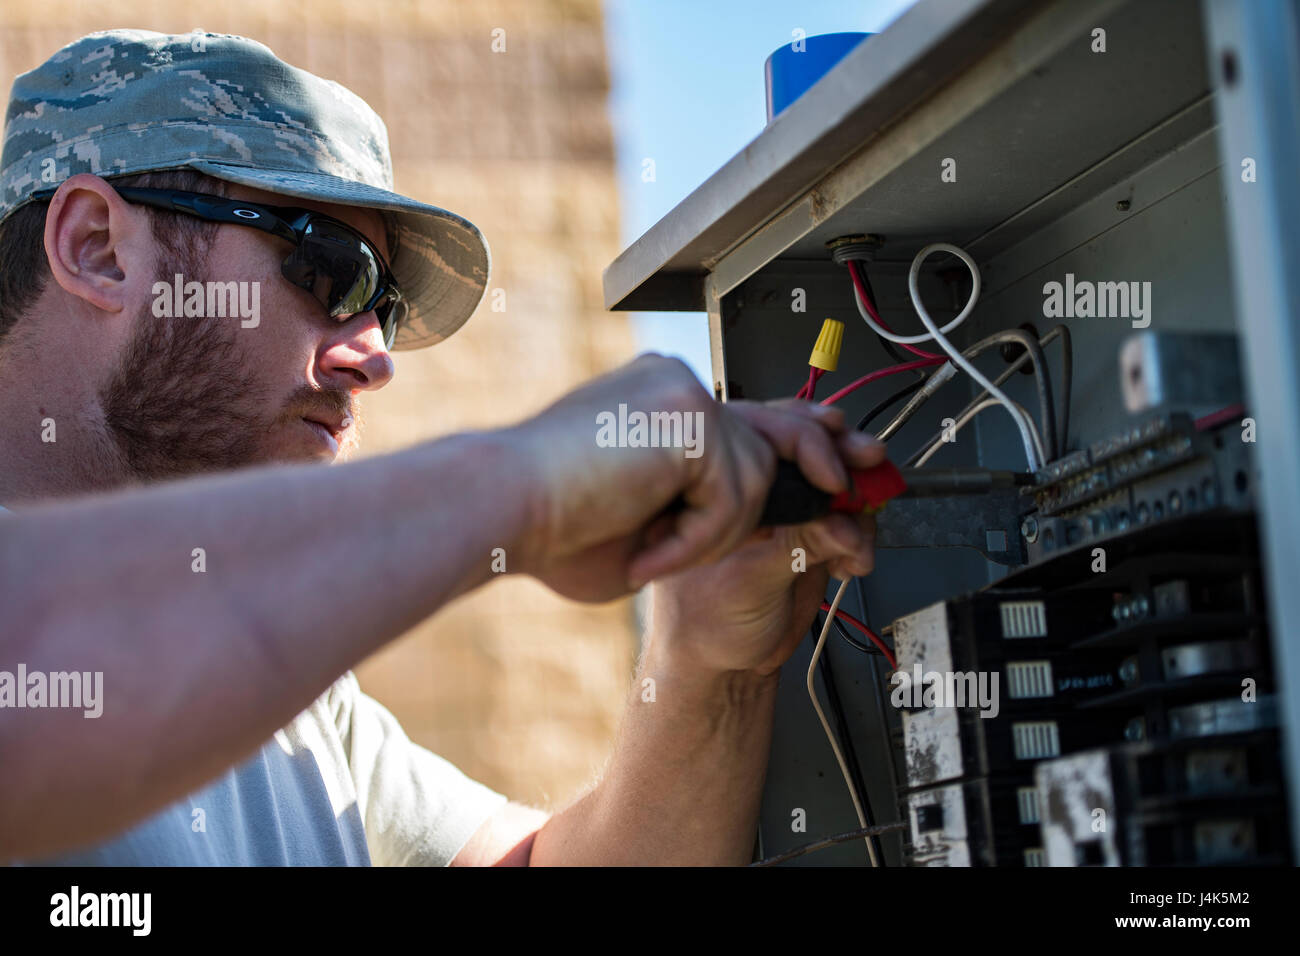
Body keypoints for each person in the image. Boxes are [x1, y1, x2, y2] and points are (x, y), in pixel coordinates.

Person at [0, 30, 883, 866]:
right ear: (97, 249)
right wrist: (524, 480)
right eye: (328, 269)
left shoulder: (303, 710)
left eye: (384, 307)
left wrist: (708, 662)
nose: (376, 356)